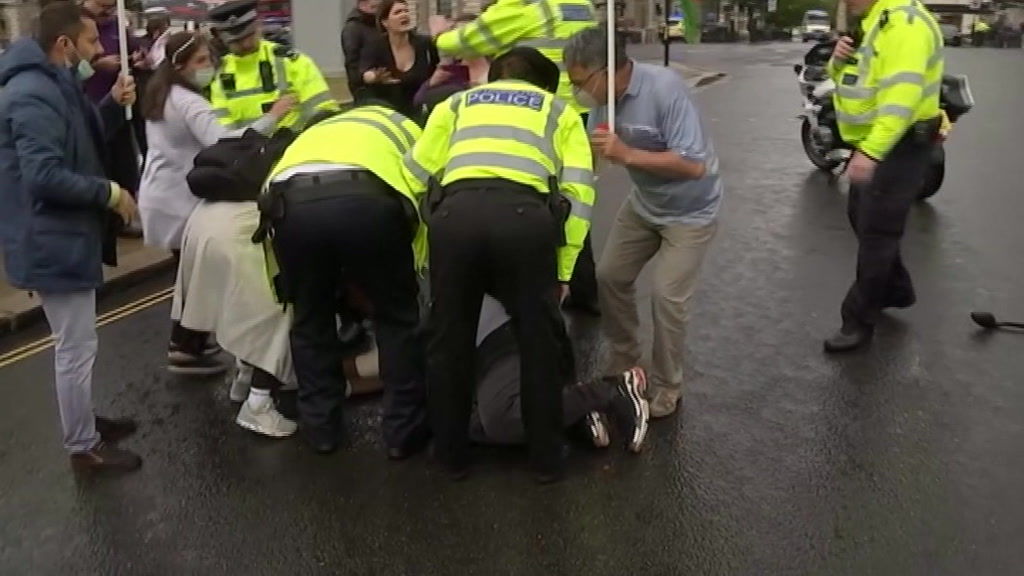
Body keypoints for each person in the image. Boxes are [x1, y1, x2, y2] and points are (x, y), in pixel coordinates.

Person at [403, 47, 595, 482]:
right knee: (538, 344)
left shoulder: (456, 103)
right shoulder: (558, 111)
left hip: (455, 218)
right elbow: (580, 195)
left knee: (448, 343)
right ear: (541, 85)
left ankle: (450, 456)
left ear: (495, 78)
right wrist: (564, 270)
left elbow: (414, 171)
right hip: (525, 222)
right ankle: (546, 461)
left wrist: (424, 246)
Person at [0, 1, 140, 472]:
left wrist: (112, 108)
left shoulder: (55, 83)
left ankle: (86, 422)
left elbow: (77, 138)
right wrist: (109, 193)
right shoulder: (31, 93)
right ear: (63, 44)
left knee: (79, 344)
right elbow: (43, 175)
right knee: (75, 348)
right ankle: (83, 445)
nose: (98, 49)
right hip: (49, 237)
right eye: (91, 41)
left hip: (62, 234)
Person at [565, 27, 722, 419]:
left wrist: (627, 153)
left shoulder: (666, 89)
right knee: (609, 277)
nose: (580, 92)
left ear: (608, 70)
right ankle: (626, 361)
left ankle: (668, 385)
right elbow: (593, 157)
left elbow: (693, 165)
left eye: (581, 83)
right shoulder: (604, 102)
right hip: (645, 205)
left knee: (667, 298)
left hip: (691, 211)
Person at [259, 103, 429, 458]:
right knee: (397, 320)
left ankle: (321, 430)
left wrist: (290, 289)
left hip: (292, 204)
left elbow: (267, 203)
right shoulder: (405, 127)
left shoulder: (311, 137)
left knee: (309, 320)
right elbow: (423, 193)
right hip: (368, 201)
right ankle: (403, 433)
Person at [428, 0, 601, 314]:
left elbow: (467, 41)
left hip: (536, 115)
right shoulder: (580, 6)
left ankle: (535, 288)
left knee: (534, 188)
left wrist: (440, 35)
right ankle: (583, 287)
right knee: (574, 196)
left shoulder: (522, 11)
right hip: (580, 110)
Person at [138, 31, 294, 375]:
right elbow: (220, 141)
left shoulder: (160, 92)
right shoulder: (188, 100)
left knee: (190, 273)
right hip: (179, 199)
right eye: (201, 61)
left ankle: (192, 342)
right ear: (179, 66)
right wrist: (273, 117)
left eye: (209, 59)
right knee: (194, 277)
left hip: (161, 194)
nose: (208, 66)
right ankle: (185, 346)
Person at [823, 0, 944, 352]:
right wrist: (838, 61)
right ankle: (896, 289)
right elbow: (852, 81)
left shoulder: (904, 24)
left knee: (877, 233)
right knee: (862, 218)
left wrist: (872, 152)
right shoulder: (875, 20)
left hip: (899, 142)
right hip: (880, 139)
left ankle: (857, 319)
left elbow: (900, 102)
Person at [470, 296, 649, 452]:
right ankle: (569, 410)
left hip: (508, 333)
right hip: (490, 344)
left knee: (499, 419)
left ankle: (611, 390)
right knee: (453, 425)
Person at [207, 0, 338, 132]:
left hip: (295, 148)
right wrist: (271, 118)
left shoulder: (292, 61)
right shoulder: (221, 75)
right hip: (248, 151)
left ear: (258, 26)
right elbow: (225, 133)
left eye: (249, 36)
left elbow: (323, 111)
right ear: (222, 39)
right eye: (237, 41)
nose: (245, 44)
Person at [80, 0, 147, 237]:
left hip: (118, 104)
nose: (98, 46)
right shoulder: (78, 21)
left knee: (124, 161)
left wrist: (136, 59)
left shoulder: (117, 25)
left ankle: (123, 218)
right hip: (92, 100)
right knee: (99, 162)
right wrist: (99, 65)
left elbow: (134, 48)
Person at [359, 0, 438, 124]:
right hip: (386, 114)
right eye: (397, 12)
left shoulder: (424, 43)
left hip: (417, 112)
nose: (404, 15)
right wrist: (373, 77)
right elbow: (363, 73)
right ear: (385, 22)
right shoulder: (375, 45)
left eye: (406, 11)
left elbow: (437, 67)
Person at [342, 0, 381, 103]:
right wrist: (363, 78)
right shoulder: (353, 28)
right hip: (367, 91)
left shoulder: (380, 24)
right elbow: (351, 63)